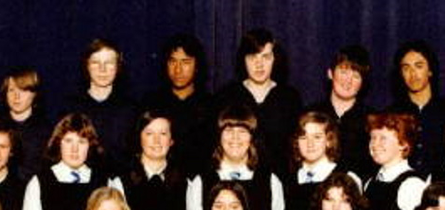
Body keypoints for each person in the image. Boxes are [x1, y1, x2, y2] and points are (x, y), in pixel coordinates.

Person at [185, 105, 285, 210]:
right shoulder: (200, 182)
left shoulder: (270, 181)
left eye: (242, 131)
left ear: (252, 137)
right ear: (219, 135)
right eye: (229, 130)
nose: (235, 138)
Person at [214, 28, 303, 173]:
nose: (259, 64)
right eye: (252, 57)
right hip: (234, 180)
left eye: (265, 57)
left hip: (281, 180)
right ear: (243, 60)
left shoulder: (289, 97)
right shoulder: (226, 96)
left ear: (275, 59)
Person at [121, 111, 192, 210]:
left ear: (172, 140)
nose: (156, 140)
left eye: (163, 133)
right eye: (149, 133)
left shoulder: (187, 181)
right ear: (139, 137)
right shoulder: (120, 180)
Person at [282, 111, 363, 210]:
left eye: (317, 137)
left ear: (329, 141)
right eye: (303, 137)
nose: (310, 143)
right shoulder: (290, 178)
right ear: (296, 142)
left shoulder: (347, 177)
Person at [141, 34, 214, 177]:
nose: (178, 70)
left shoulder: (211, 105)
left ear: (197, 66)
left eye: (186, 62)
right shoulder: (151, 102)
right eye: (172, 62)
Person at [62, 39, 138, 172]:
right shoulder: (70, 107)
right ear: (87, 65)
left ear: (118, 66)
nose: (102, 69)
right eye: (96, 63)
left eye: (108, 63)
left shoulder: (131, 109)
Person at [362, 112, 427, 210]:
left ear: (403, 144)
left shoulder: (412, 185)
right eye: (373, 138)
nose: (375, 144)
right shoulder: (370, 183)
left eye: (383, 138)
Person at [389, 40, 445, 174]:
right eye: (406, 68)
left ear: (430, 71)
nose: (412, 74)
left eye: (419, 66)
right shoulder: (390, 115)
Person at [308, 45, 374, 178]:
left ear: (363, 83)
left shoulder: (372, 120)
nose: (348, 81)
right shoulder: (310, 115)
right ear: (330, 73)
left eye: (356, 76)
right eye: (343, 72)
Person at [0, 67, 54, 181]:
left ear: (35, 94)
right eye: (11, 90)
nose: (16, 96)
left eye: (23, 90)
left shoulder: (47, 130)